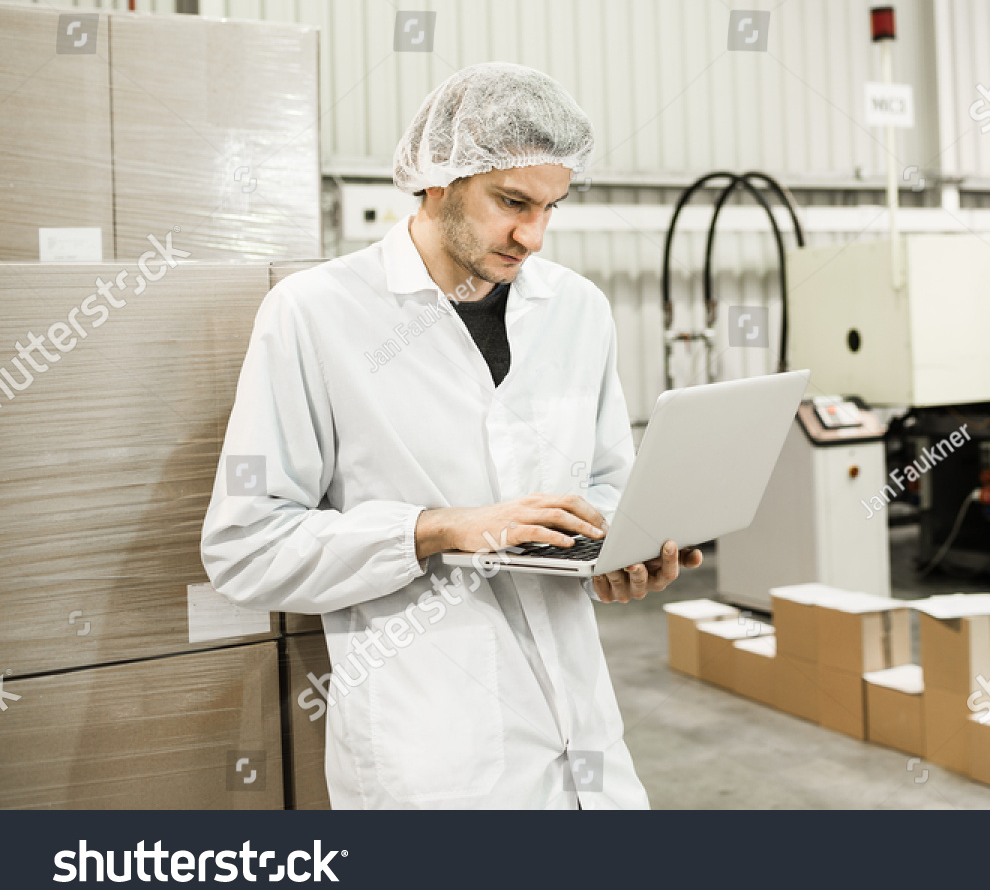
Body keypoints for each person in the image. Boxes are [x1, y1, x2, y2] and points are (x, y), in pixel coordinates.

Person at [201, 62, 700, 808]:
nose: (531, 235)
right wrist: (438, 529)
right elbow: (246, 547)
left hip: (585, 746)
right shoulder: (316, 314)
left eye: (551, 207)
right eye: (511, 202)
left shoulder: (576, 310)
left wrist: (617, 555)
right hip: (435, 761)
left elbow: (605, 484)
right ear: (439, 178)